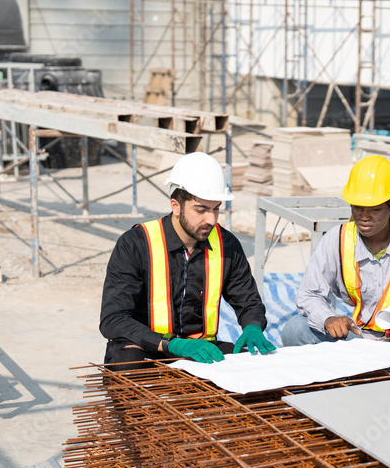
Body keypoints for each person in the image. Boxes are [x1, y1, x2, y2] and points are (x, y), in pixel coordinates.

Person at [100, 152, 275, 369]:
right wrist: (170, 344)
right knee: (126, 368)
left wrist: (253, 326)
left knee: (253, 370)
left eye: (216, 208)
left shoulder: (226, 244)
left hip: (199, 348)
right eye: (201, 210)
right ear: (176, 206)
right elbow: (113, 319)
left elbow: (248, 301)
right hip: (145, 347)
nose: (211, 219)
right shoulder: (135, 244)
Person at [281, 154, 390, 346]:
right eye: (357, 208)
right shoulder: (337, 239)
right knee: (295, 329)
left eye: (375, 210)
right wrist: (327, 318)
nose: (364, 217)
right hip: (364, 339)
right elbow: (309, 294)